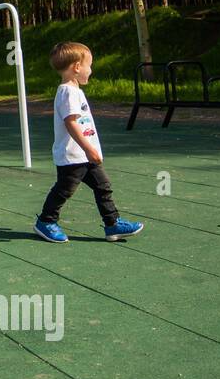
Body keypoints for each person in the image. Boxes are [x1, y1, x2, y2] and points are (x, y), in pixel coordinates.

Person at [34, 41, 144, 244]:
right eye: (89, 65)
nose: (90, 70)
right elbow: (71, 123)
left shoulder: (75, 91)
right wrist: (89, 148)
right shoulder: (67, 92)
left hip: (85, 155)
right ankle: (46, 221)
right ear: (77, 67)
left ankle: (112, 224)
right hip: (73, 156)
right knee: (64, 190)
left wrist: (90, 150)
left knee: (103, 186)